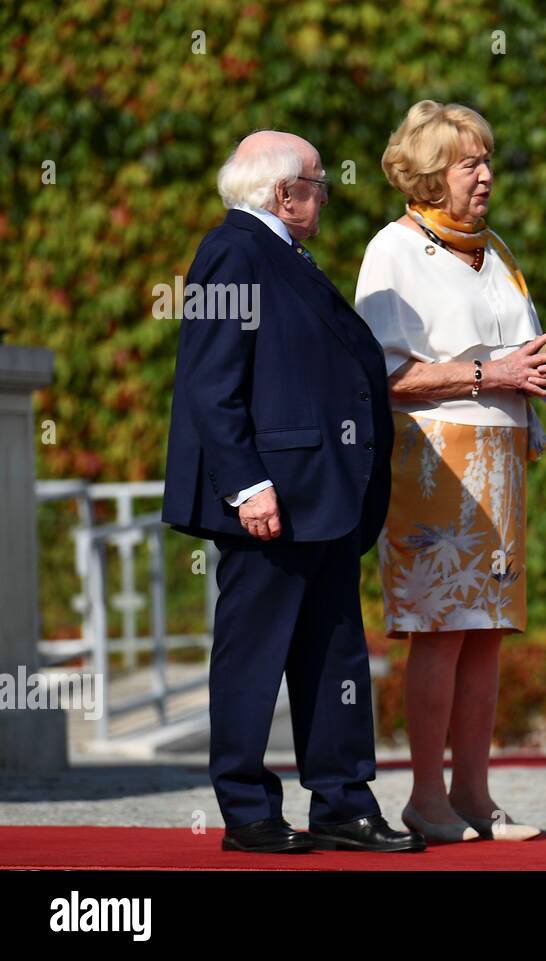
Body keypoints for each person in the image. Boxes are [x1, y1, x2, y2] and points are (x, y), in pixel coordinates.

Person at [162, 130, 424, 853]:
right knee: (253, 654)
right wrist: (247, 484)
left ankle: (342, 801)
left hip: (323, 498)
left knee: (333, 654)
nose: (324, 196)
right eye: (317, 183)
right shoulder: (235, 251)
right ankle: (247, 809)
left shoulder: (279, 254)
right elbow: (212, 386)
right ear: (285, 192)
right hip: (273, 499)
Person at [355, 101, 546, 843]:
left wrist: (537, 370)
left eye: (486, 159)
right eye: (468, 162)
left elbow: (519, 345)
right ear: (428, 173)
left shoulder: (494, 246)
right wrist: (492, 368)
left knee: (487, 632)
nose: (486, 174)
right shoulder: (394, 249)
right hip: (434, 458)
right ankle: (425, 797)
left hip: (502, 455)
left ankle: (476, 795)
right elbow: (384, 373)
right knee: (441, 629)